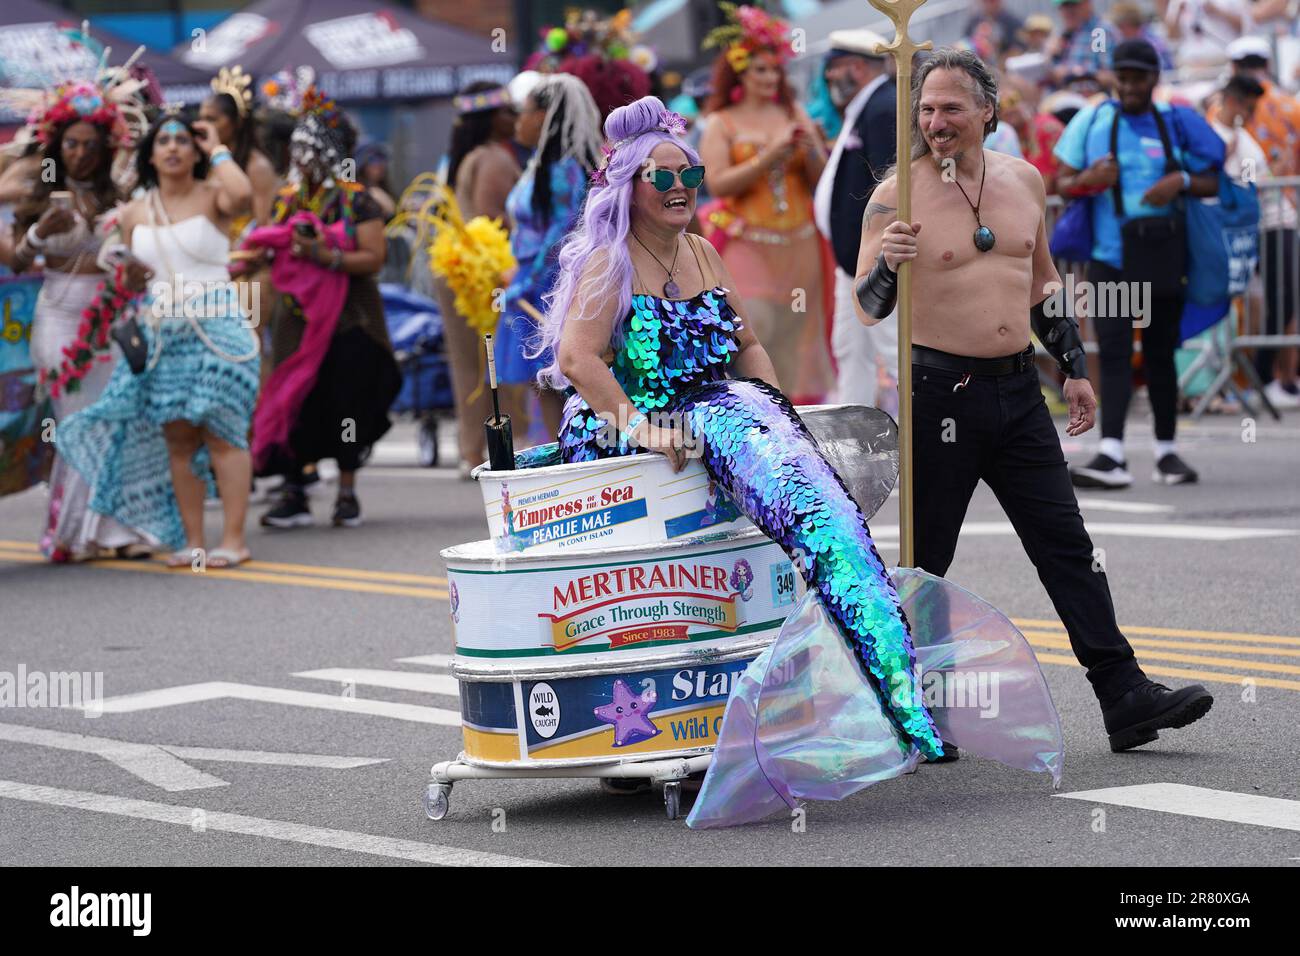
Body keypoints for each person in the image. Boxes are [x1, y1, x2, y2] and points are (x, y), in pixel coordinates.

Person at [855, 48, 1214, 751]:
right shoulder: (894, 196)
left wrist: (1073, 366)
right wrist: (888, 266)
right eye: (926, 109)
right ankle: (918, 713)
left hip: (1018, 391)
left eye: (952, 107)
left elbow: (1042, 282)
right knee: (927, 563)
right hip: (940, 398)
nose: (936, 122)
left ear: (988, 111)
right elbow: (869, 308)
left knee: (1068, 549)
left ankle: (1124, 696)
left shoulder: (1022, 179)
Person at [56, 111, 261, 567]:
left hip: (218, 329)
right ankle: (193, 541)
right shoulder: (134, 211)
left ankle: (234, 540)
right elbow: (130, 285)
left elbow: (245, 195)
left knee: (224, 431)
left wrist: (218, 147)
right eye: (163, 140)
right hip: (162, 332)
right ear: (149, 154)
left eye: (183, 140)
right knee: (180, 438)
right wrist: (129, 274)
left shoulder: (214, 196)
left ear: (195, 151)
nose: (172, 147)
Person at [1055, 39, 1225, 488]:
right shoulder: (1094, 119)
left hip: (1164, 256)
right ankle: (1112, 453)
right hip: (1112, 260)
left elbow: (1213, 179)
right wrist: (1090, 179)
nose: (1129, 86)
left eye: (1139, 77)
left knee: (1159, 354)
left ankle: (1167, 452)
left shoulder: (1177, 121)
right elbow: (1062, 180)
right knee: (1112, 351)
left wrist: (1181, 181)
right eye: (1123, 77)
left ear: (1154, 79)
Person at [7, 80, 151, 562]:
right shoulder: (39, 192)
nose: (81, 154)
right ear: (57, 145)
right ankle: (69, 532)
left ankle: (113, 530)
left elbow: (136, 258)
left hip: (109, 313)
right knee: (76, 421)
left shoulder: (120, 195)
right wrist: (37, 234)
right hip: (59, 320)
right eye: (72, 143)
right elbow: (18, 263)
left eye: (91, 145)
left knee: (116, 419)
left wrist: (131, 267)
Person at [249, 87, 401, 529]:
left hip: (349, 321)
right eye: (296, 150)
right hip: (297, 319)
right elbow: (273, 244)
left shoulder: (357, 201)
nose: (299, 159)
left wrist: (325, 256)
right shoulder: (287, 200)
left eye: (308, 150)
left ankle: (347, 493)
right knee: (296, 399)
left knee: (346, 403)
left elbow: (372, 258)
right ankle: (294, 489)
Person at [698, 3, 832, 404]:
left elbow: (822, 179)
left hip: (800, 244)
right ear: (739, 71)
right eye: (760, 69)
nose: (770, 77)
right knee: (755, 331)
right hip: (748, 244)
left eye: (775, 69)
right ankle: (757, 418)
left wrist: (811, 152)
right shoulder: (722, 121)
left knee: (795, 343)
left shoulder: (794, 112)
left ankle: (794, 432)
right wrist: (770, 155)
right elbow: (718, 184)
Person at [500, 74, 602, 439]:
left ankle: (564, 455)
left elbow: (561, 233)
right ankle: (553, 453)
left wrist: (525, 282)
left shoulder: (564, 168)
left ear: (544, 116)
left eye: (524, 112)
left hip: (549, 283)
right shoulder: (543, 165)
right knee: (540, 380)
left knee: (556, 377)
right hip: (528, 279)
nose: (518, 122)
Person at [434, 82, 521, 475]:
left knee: (469, 363)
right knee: (495, 362)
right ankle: (491, 448)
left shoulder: (461, 157)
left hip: (458, 271)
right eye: (508, 112)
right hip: (485, 273)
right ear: (490, 118)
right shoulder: (493, 159)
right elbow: (494, 223)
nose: (515, 119)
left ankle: (471, 449)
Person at [812, 30, 899, 411]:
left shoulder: (882, 108)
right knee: (851, 350)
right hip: (855, 261)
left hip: (876, 262)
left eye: (834, 69)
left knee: (894, 351)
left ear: (858, 67)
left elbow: (891, 186)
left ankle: (929, 443)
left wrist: (880, 259)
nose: (829, 78)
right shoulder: (869, 105)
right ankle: (852, 446)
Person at [1214, 37, 1300, 408]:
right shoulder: (1221, 134)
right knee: (1253, 304)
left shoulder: (1242, 132)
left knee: (1284, 302)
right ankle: (1254, 377)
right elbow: (1239, 185)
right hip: (1254, 227)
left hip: (1273, 223)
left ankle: (1264, 377)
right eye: (1247, 108)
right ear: (1233, 102)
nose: (1250, 114)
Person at [200, 66, 278, 237]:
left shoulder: (257, 166)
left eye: (212, 119)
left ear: (237, 121)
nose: (205, 126)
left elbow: (263, 224)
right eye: (202, 118)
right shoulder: (204, 159)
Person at [1048, 0, 1116, 89]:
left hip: (1091, 97)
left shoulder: (1098, 32)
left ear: (1087, 3)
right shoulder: (1063, 33)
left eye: (1072, 5)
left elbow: (1107, 75)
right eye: (1063, 6)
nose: (1067, 11)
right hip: (1066, 95)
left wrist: (1072, 73)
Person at [356, 140, 396, 220]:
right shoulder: (359, 195)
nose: (380, 164)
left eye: (383, 159)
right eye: (374, 159)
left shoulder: (385, 190)